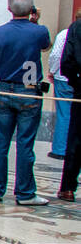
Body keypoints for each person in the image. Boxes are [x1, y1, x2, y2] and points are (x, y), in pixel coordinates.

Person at [0, 0, 53, 204]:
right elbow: (44, 46)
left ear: (8, 8)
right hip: (29, 90)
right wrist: (35, 20)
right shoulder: (39, 31)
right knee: (25, 144)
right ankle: (24, 193)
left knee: (1, 143)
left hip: (3, 89)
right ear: (31, 8)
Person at [57, 7, 81, 202]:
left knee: (75, 140)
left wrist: (75, 82)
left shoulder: (77, 28)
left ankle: (67, 188)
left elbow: (67, 61)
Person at [48, 16, 74, 161]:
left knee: (64, 113)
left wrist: (52, 70)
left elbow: (56, 55)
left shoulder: (64, 34)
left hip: (63, 78)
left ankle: (60, 149)